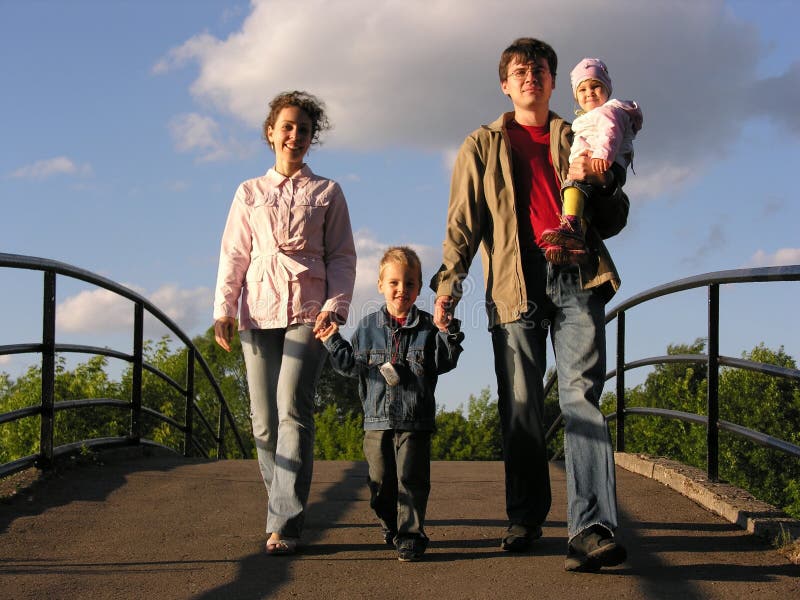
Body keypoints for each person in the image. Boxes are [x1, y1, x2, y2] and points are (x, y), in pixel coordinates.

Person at [430, 38, 629, 572]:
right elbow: (463, 221)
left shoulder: (581, 131)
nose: (531, 77)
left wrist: (606, 184)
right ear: (505, 83)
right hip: (514, 284)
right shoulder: (482, 143)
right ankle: (525, 516)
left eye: (540, 69)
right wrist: (448, 287)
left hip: (578, 275)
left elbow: (615, 215)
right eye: (520, 71)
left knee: (580, 397)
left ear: (552, 79)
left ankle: (590, 526)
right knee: (521, 405)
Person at [213, 90, 356, 556]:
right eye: (288, 126)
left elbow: (343, 256)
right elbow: (234, 252)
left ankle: (285, 522)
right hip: (257, 308)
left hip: (308, 310)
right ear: (271, 132)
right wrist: (224, 308)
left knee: (293, 407)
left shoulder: (327, 192)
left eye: (305, 130)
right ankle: (282, 505)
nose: (295, 135)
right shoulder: (248, 192)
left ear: (313, 139)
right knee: (262, 420)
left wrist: (334, 306)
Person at [316, 246, 464, 562]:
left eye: (409, 283)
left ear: (419, 288)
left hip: (415, 420)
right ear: (381, 284)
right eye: (394, 283)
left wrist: (445, 330)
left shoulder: (427, 327)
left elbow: (445, 360)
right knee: (380, 482)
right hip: (376, 419)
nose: (401, 290)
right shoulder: (368, 328)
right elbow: (348, 365)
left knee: (412, 479)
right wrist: (332, 339)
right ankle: (391, 524)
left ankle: (411, 534)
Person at [541, 57, 643, 265]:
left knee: (572, 187)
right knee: (585, 207)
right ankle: (576, 244)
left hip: (603, 164)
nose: (589, 93)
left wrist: (601, 157)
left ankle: (571, 227)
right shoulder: (587, 118)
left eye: (596, 86)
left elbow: (610, 133)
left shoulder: (609, 111)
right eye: (583, 89)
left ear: (607, 88)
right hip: (597, 164)